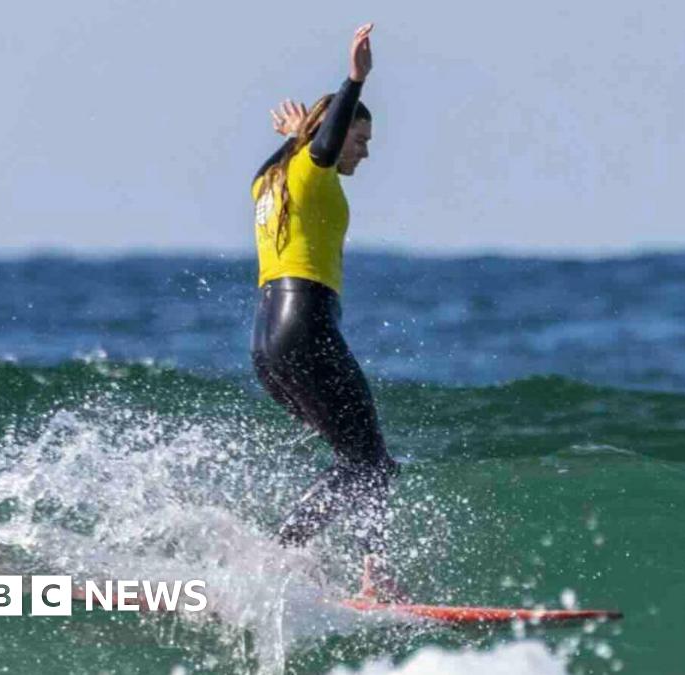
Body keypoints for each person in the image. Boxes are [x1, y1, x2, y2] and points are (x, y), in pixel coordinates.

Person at [249, 22, 404, 601]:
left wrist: (298, 134)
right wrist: (356, 80)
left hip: (267, 340)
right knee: (371, 463)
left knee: (359, 459)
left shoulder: (270, 179)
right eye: (360, 142)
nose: (363, 153)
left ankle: (321, 564)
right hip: (305, 325)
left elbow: (302, 145)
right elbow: (326, 137)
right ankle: (297, 559)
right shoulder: (313, 174)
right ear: (332, 138)